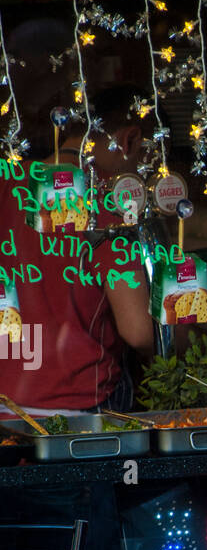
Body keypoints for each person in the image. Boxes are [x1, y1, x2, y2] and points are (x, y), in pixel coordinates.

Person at [0, 84, 155, 413]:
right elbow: (139, 331)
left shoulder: (6, 184)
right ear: (130, 140)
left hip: (6, 405)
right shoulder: (107, 203)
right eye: (148, 163)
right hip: (82, 407)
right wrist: (204, 343)